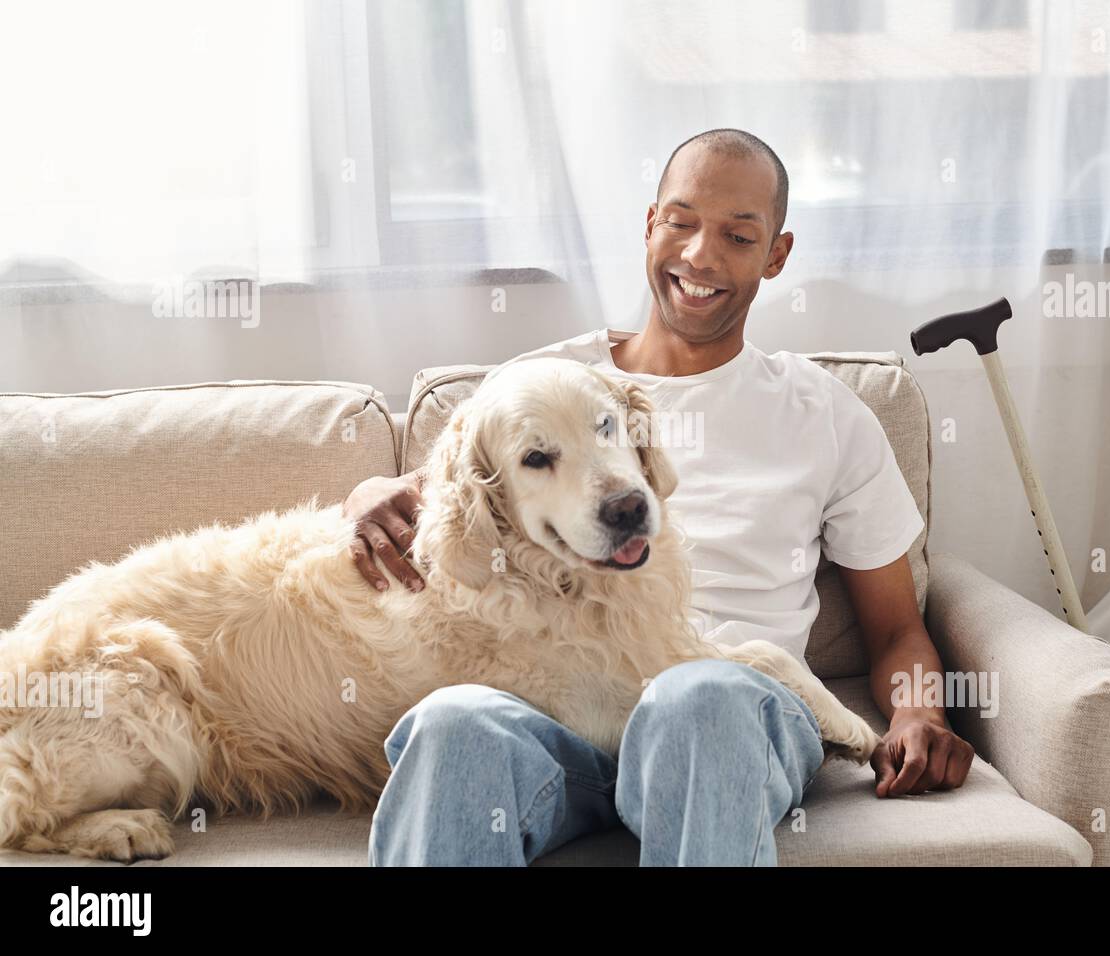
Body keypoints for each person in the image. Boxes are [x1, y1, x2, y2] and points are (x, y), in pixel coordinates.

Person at [356, 129, 975, 867]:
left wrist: (917, 711)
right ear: (650, 225)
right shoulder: (547, 384)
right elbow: (449, 494)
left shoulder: (827, 413)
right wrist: (369, 487)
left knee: (695, 700)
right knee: (452, 721)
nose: (700, 256)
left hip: (733, 717)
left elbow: (898, 628)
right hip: (562, 717)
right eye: (680, 222)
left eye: (738, 236)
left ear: (776, 255)